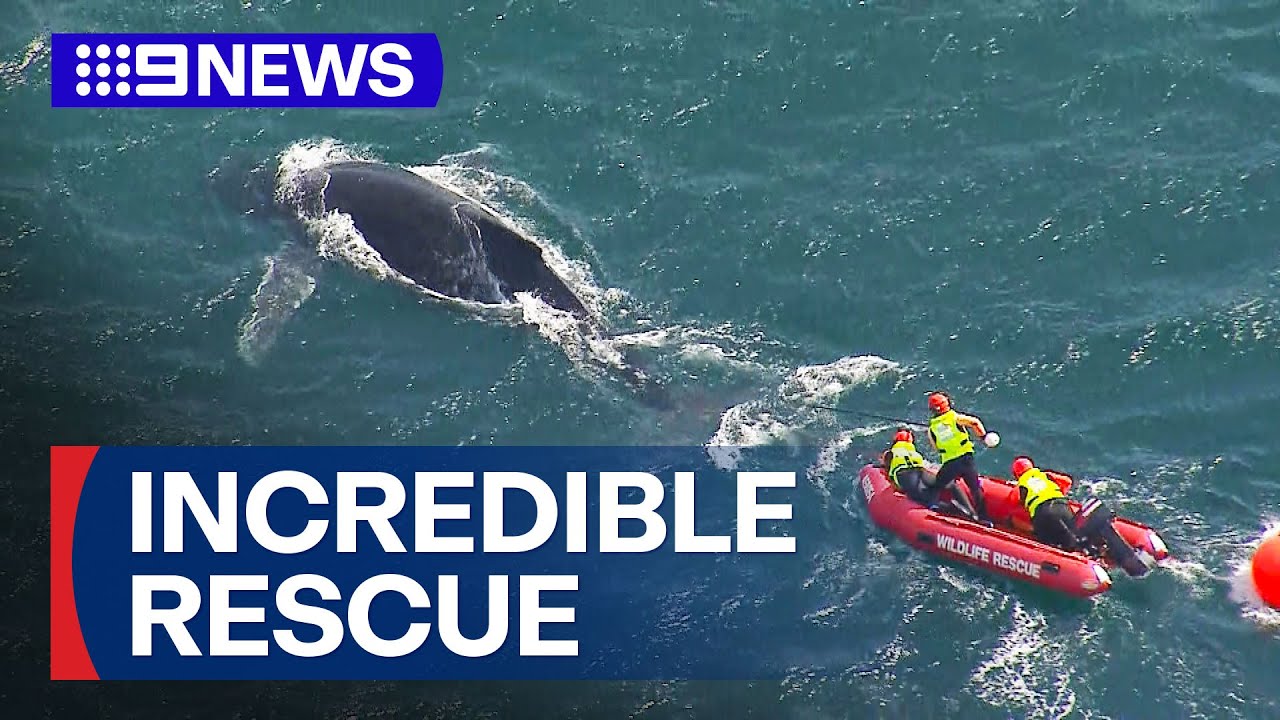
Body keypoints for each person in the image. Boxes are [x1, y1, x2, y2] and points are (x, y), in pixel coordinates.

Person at [1010, 456, 1153, 577]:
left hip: (1043, 515)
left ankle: (1080, 558)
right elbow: (1067, 481)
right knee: (1072, 533)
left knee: (1051, 541)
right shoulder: (1045, 476)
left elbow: (1012, 499)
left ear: (1016, 474)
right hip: (1061, 506)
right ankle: (1099, 552)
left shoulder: (1022, 484)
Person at [881, 428, 977, 519]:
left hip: (908, 476)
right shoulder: (913, 452)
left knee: (927, 502)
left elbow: (889, 474)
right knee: (950, 484)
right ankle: (972, 512)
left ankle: (953, 509)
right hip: (921, 472)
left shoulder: (890, 453)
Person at [926, 392, 991, 520]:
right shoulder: (955, 418)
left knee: (937, 485)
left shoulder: (932, 429)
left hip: (950, 463)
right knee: (975, 488)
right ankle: (984, 518)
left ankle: (935, 506)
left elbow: (936, 448)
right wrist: (983, 436)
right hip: (966, 459)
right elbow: (975, 422)